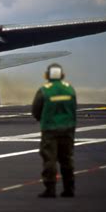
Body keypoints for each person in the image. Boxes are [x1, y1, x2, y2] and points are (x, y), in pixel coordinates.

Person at [32, 63, 77, 198]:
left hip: (50, 129)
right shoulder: (69, 89)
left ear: (47, 75)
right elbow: (73, 108)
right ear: (62, 75)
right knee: (67, 159)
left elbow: (36, 110)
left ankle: (50, 189)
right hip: (68, 129)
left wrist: (42, 120)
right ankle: (69, 189)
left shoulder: (45, 90)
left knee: (49, 159)